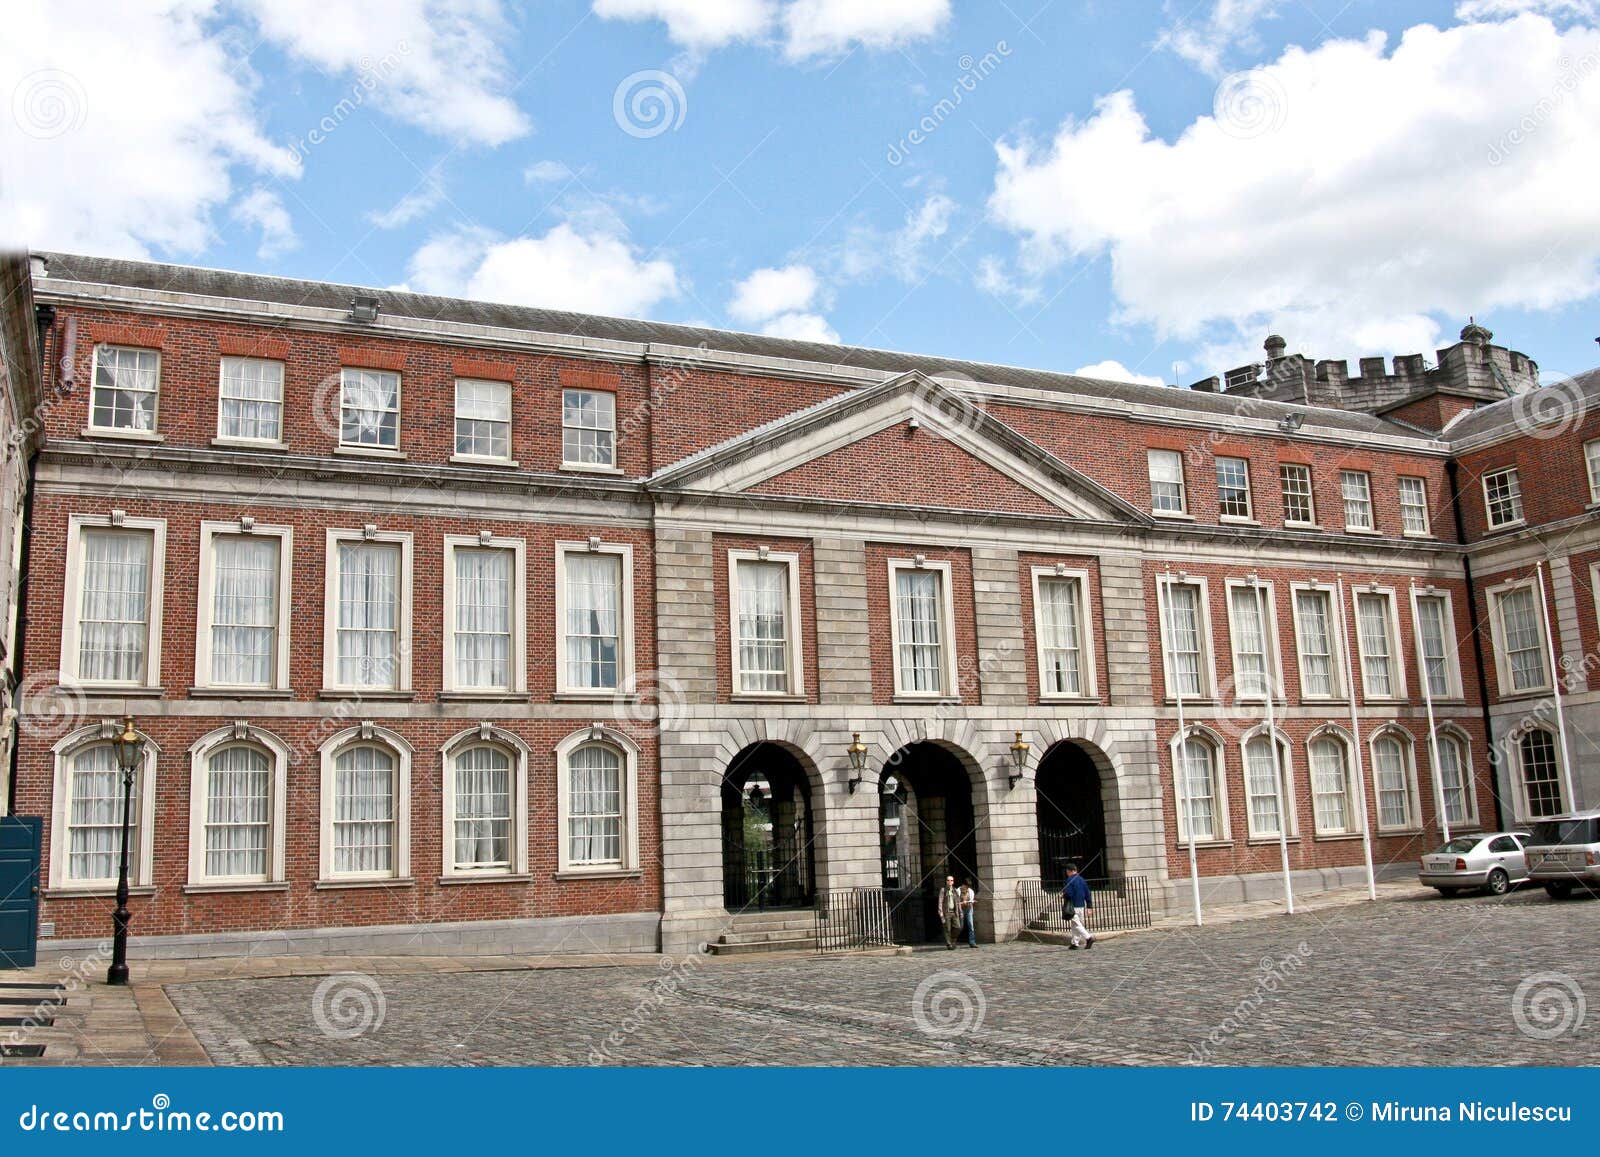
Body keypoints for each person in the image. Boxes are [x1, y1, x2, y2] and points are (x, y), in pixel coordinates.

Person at [1061, 862, 1095, 950]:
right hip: (1081, 906)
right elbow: (1088, 893)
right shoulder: (1082, 880)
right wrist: (1089, 906)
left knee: (1077, 924)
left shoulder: (1069, 881)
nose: (1066, 873)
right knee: (1075, 924)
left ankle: (1088, 938)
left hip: (1073, 906)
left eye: (1067, 871)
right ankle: (1075, 943)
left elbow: (1069, 894)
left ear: (1069, 871)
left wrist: (1063, 895)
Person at [937, 874, 963, 949]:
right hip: (946, 912)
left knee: (958, 927)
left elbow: (958, 902)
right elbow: (940, 901)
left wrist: (960, 912)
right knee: (947, 929)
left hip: (955, 912)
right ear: (946, 881)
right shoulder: (943, 890)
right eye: (948, 880)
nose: (949, 882)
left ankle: (953, 940)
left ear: (953, 882)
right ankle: (949, 944)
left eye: (951, 880)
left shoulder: (955, 890)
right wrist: (941, 913)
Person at [959, 878, 978, 948]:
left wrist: (972, 902)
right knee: (960, 926)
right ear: (963, 885)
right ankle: (953, 940)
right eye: (966, 886)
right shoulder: (958, 891)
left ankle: (972, 942)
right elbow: (956, 903)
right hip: (960, 909)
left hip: (969, 909)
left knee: (971, 925)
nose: (966, 888)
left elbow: (971, 900)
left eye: (968, 887)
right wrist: (962, 903)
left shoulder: (971, 891)